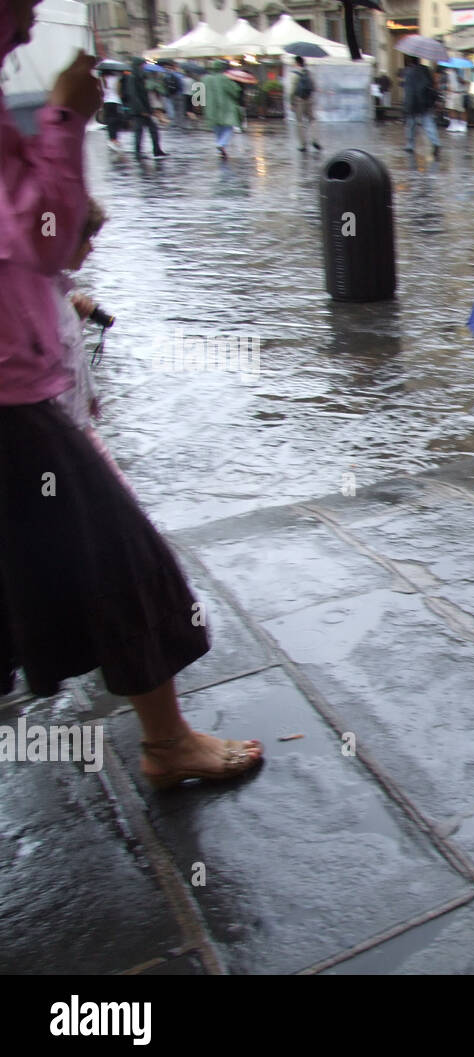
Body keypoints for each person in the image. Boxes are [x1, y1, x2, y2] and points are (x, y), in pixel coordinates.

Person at [0, 1, 262, 789]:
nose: (36, 8)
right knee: (127, 566)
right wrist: (66, 118)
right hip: (14, 402)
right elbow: (41, 232)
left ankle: (163, 737)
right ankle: (166, 740)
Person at [50, 198, 131, 491]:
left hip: (76, 429)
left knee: (122, 510)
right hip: (60, 438)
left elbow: (67, 354)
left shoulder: (56, 291)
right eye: (87, 239)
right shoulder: (38, 297)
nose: (91, 248)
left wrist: (76, 318)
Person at [121, 56, 164, 157]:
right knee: (139, 131)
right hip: (138, 111)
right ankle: (138, 152)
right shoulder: (133, 78)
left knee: (153, 129)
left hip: (144, 109)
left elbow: (144, 95)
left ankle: (156, 150)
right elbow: (134, 95)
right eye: (141, 65)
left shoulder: (141, 77)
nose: (143, 67)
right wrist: (141, 110)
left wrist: (148, 109)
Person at [201, 60, 244, 159]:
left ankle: (221, 145)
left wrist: (198, 105)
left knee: (217, 127)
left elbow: (198, 93)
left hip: (210, 106)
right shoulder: (224, 78)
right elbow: (234, 91)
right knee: (229, 126)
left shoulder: (204, 79)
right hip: (226, 106)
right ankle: (222, 144)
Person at [402, 59, 440, 156]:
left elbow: (408, 91)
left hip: (413, 103)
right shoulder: (426, 70)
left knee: (411, 125)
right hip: (425, 102)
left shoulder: (409, 72)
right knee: (428, 123)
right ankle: (436, 142)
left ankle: (410, 145)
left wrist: (407, 106)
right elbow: (432, 86)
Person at [291, 55, 321, 153]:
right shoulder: (308, 73)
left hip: (299, 100)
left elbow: (292, 91)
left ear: (296, 63)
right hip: (309, 99)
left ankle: (303, 144)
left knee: (300, 123)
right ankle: (315, 139)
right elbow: (314, 86)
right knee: (312, 120)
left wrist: (291, 102)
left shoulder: (294, 74)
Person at [99, 69, 124, 149]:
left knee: (109, 121)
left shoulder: (102, 78)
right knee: (115, 120)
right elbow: (118, 91)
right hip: (115, 101)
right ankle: (114, 139)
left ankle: (111, 139)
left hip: (106, 101)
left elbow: (101, 91)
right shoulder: (116, 78)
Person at [161, 60, 185, 129]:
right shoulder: (177, 75)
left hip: (171, 94)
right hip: (178, 94)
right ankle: (180, 123)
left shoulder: (166, 76)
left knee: (173, 109)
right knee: (179, 109)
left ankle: (175, 123)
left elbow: (165, 86)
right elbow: (180, 85)